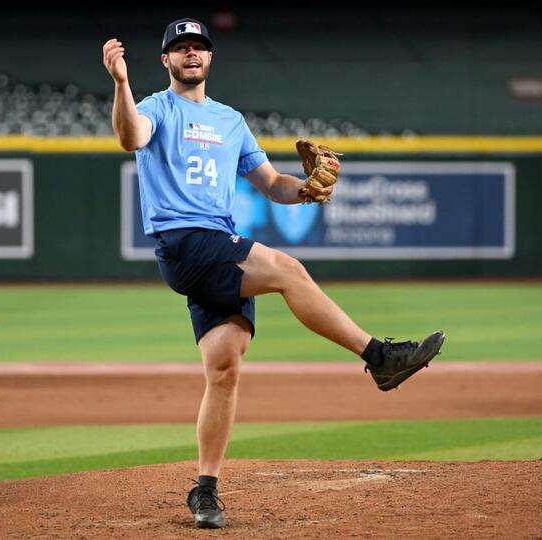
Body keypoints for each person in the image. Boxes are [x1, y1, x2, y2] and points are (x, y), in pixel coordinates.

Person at [102, 18, 445, 530]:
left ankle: (205, 490)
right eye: (181, 48)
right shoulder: (157, 107)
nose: (191, 53)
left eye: (199, 47)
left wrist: (304, 189)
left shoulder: (230, 121)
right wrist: (121, 83)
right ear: (166, 60)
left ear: (210, 57)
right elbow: (130, 136)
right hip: (184, 241)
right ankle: (380, 357)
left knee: (224, 369)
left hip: (217, 241)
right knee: (288, 270)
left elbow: (270, 184)